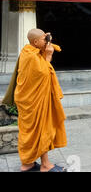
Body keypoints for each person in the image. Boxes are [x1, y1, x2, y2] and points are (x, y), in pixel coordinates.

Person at [3, 29, 67, 171]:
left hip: (27, 100)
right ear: (35, 42)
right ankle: (45, 165)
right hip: (33, 102)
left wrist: (46, 45)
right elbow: (44, 73)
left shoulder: (28, 51)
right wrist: (49, 55)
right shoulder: (31, 57)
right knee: (41, 130)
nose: (46, 42)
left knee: (29, 132)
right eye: (44, 40)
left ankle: (27, 164)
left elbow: (38, 68)